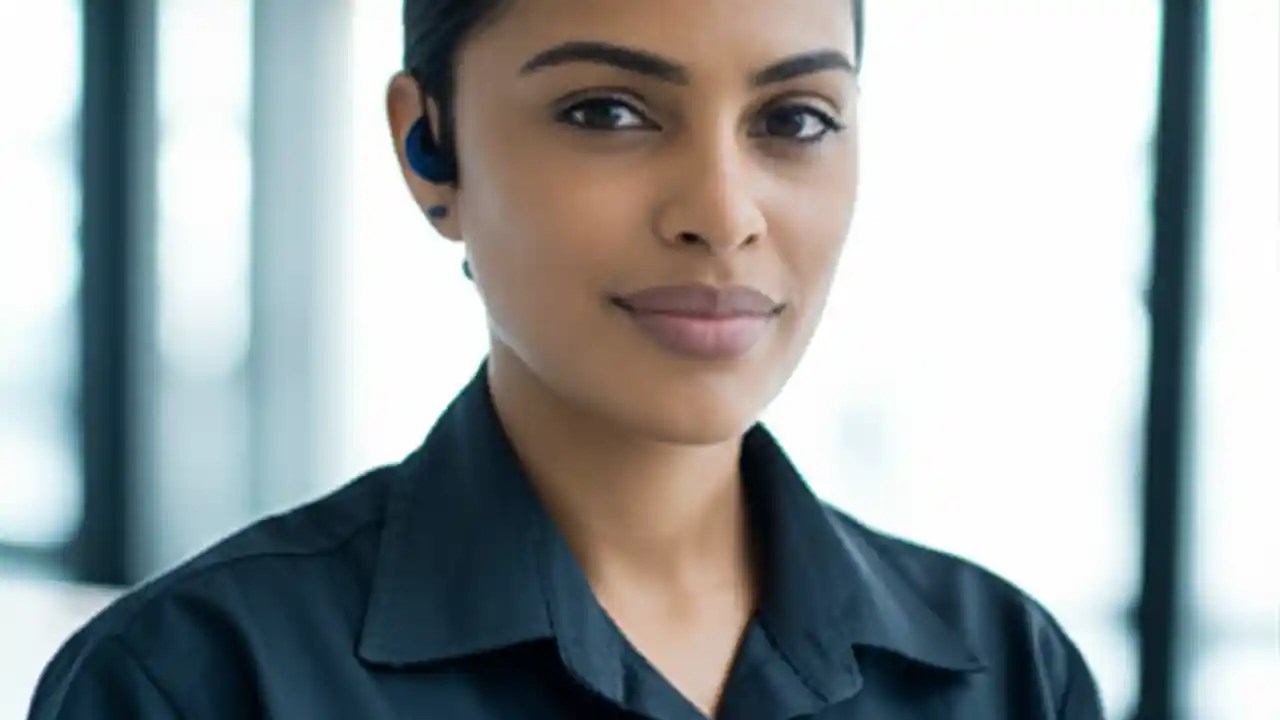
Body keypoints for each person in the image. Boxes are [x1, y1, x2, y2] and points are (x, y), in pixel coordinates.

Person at [29, 1, 1105, 718]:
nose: (721, 216)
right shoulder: (197, 684)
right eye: (607, 110)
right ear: (428, 149)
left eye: (793, 119)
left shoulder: (1007, 675)